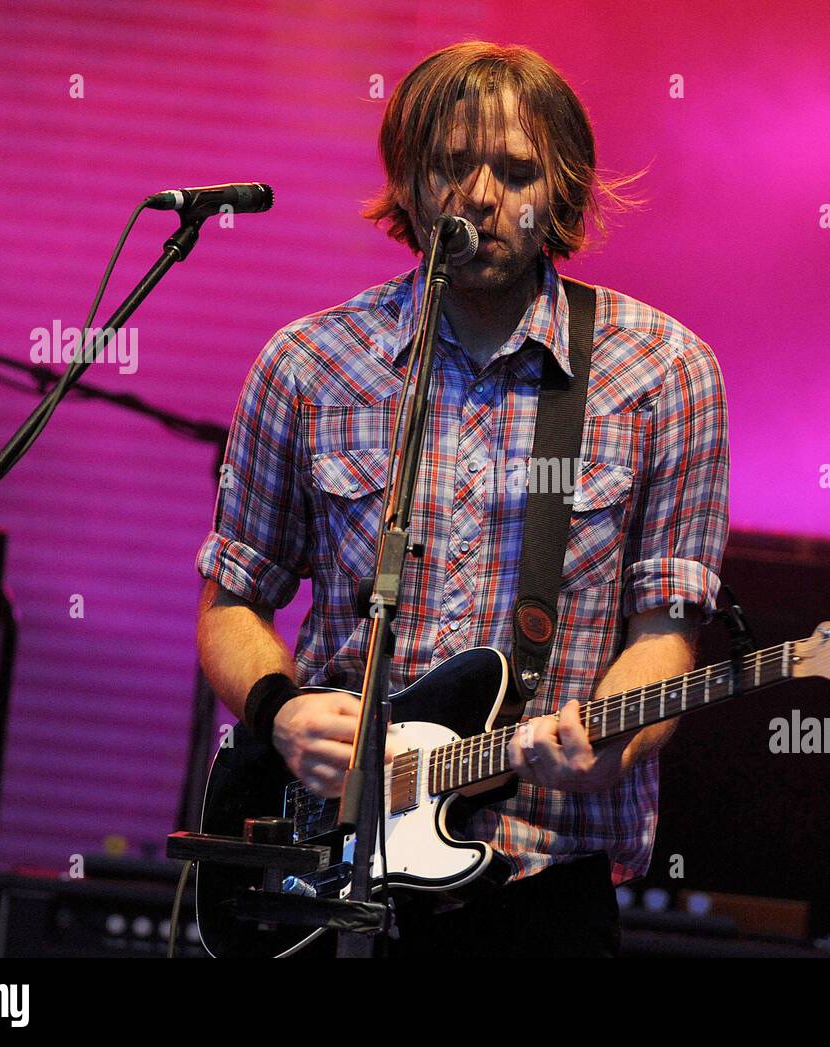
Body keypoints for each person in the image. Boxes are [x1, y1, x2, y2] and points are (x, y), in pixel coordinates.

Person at [195, 40, 730, 957]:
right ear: (407, 181)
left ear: (561, 190)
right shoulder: (311, 365)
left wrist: (620, 742)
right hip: (326, 869)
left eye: (517, 170)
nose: (481, 195)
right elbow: (232, 601)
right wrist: (281, 712)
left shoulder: (663, 373)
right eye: (452, 165)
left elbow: (664, 633)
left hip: (537, 884)